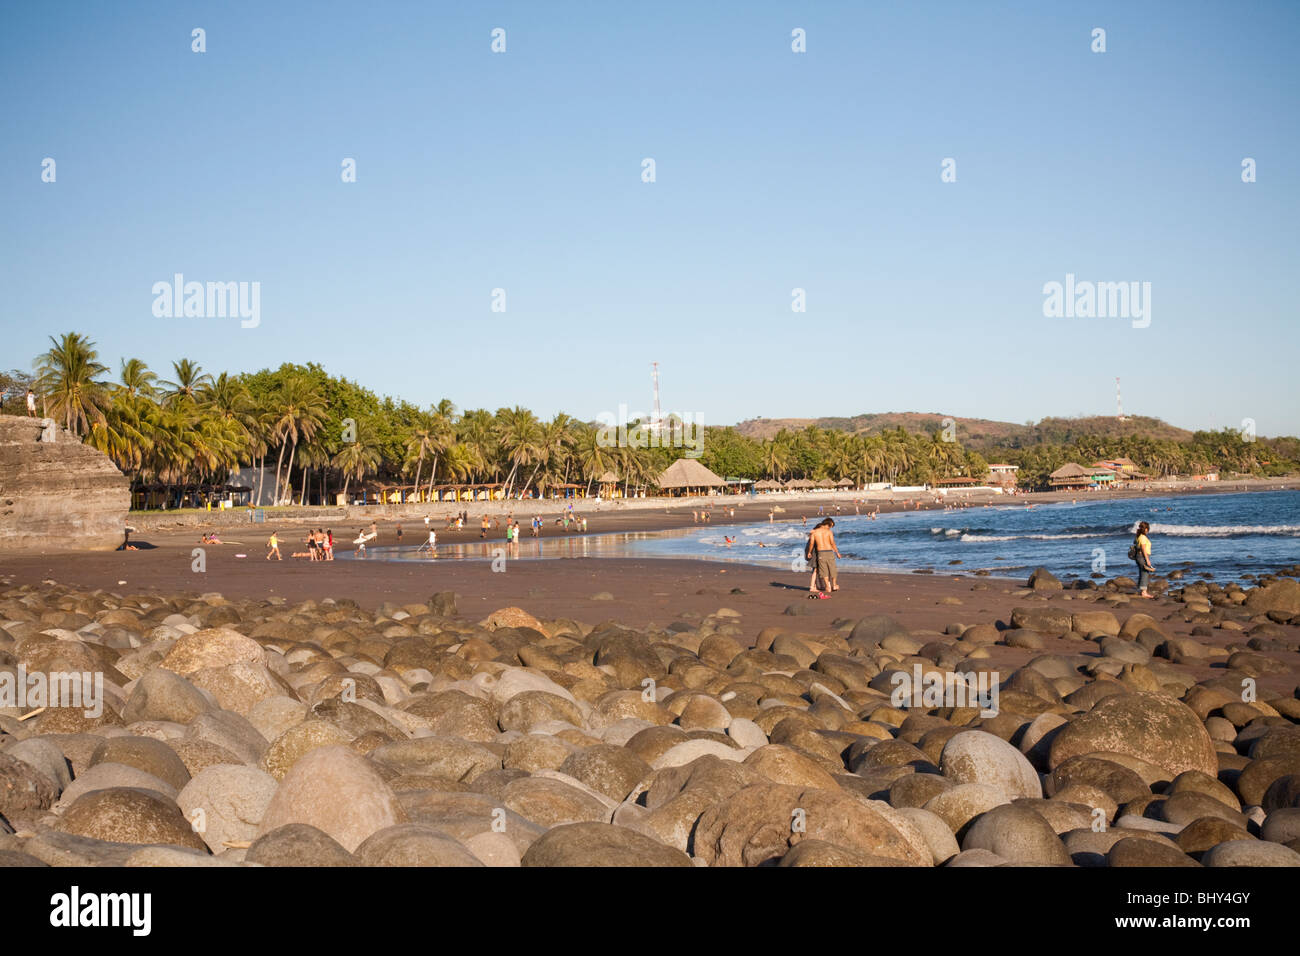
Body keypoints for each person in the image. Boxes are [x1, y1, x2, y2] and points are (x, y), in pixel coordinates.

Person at [807, 518, 841, 597]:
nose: (830, 528)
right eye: (830, 526)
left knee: (824, 570)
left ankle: (828, 587)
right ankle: (834, 585)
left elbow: (811, 543)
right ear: (827, 525)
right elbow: (832, 543)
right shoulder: (829, 532)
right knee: (832, 569)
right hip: (829, 552)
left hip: (820, 553)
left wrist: (809, 552)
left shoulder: (815, 532)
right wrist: (837, 552)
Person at [1132, 521, 1155, 598]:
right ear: (1145, 529)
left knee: (1142, 572)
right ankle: (1144, 592)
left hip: (1139, 556)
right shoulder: (1142, 537)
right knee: (1145, 572)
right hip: (1142, 556)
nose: (1148, 530)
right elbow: (1143, 549)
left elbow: (1135, 543)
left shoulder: (1138, 536)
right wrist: (1147, 560)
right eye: (1147, 529)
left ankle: (1141, 590)